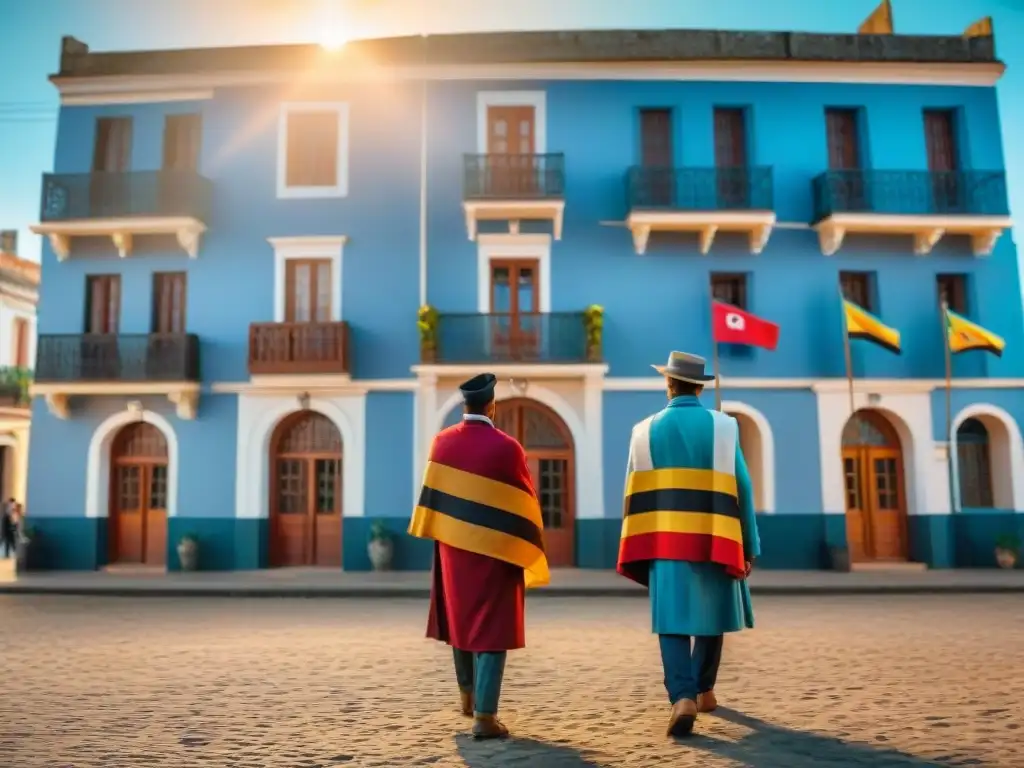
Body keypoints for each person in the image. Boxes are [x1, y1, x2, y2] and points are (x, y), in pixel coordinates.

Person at [617, 351, 760, 739]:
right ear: (700, 387)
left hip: (664, 539)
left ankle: (682, 696)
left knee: (672, 620)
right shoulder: (724, 427)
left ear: (668, 384)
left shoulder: (643, 431)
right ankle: (704, 690)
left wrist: (635, 546)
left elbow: (632, 491)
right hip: (715, 534)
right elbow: (743, 486)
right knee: (712, 613)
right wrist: (748, 544)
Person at [408, 373, 550, 740]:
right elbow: (525, 501)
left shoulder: (441, 443)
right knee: (493, 626)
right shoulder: (508, 448)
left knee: (460, 619)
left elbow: (433, 498)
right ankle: (485, 716)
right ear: (492, 407)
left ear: (465, 406)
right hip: (496, 550)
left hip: (453, 549)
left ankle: (467, 697)